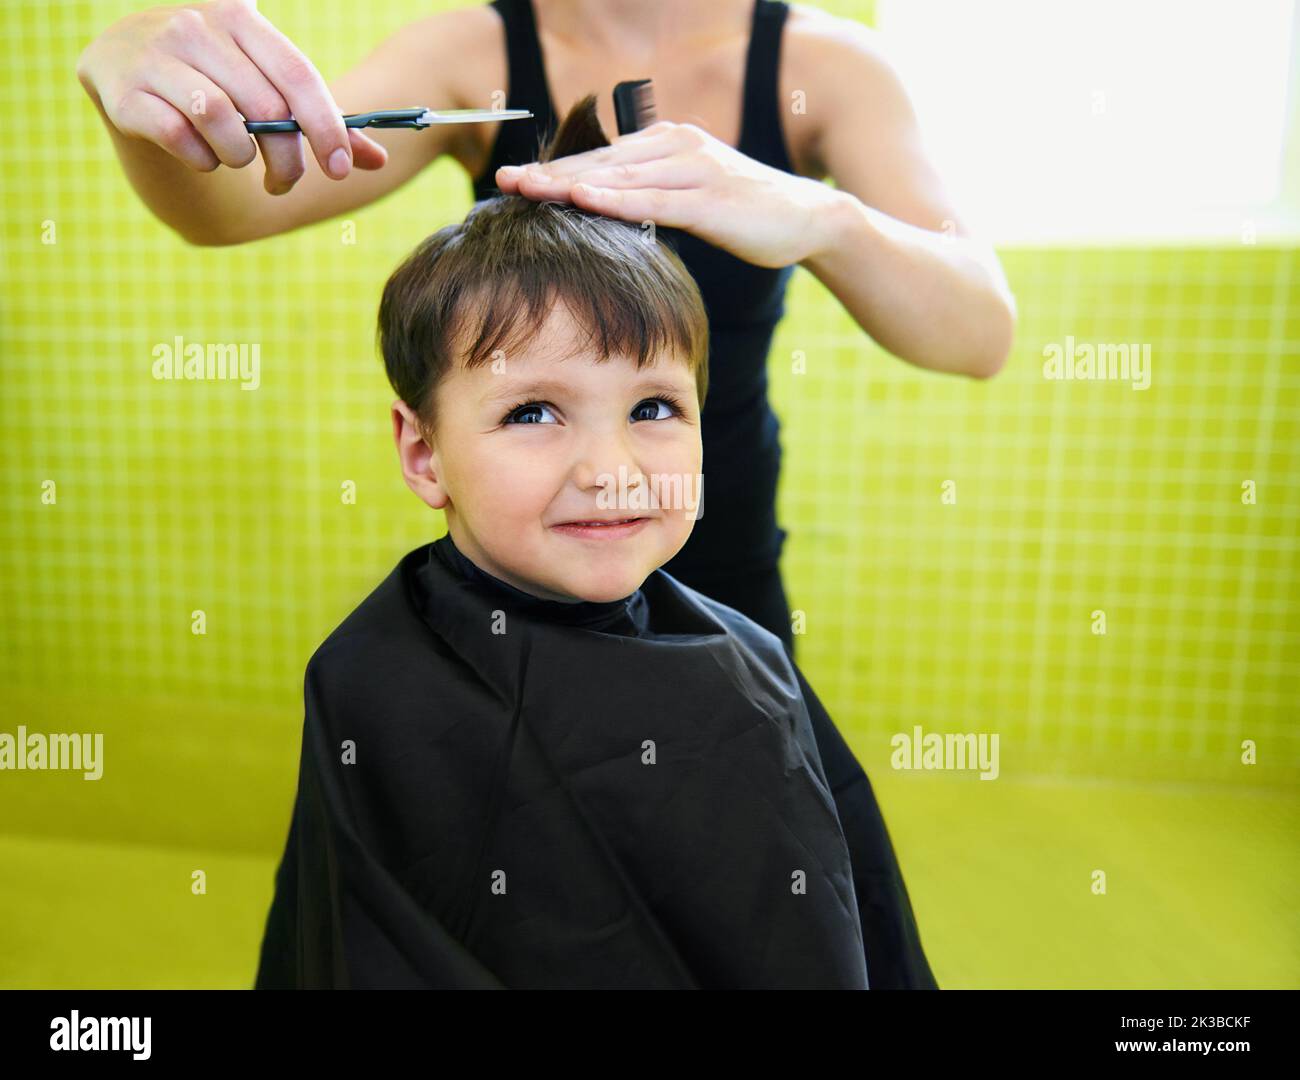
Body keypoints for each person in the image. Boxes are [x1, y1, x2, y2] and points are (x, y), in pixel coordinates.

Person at [76, 0, 1017, 655]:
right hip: (524, 577)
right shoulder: (468, 56)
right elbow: (226, 207)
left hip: (716, 556)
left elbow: (979, 331)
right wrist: (140, 84)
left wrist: (821, 219)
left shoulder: (827, 68)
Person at [252, 96, 936, 988]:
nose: (611, 470)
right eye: (531, 411)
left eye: (654, 408)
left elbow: (844, 929)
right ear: (424, 453)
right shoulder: (370, 686)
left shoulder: (754, 665)